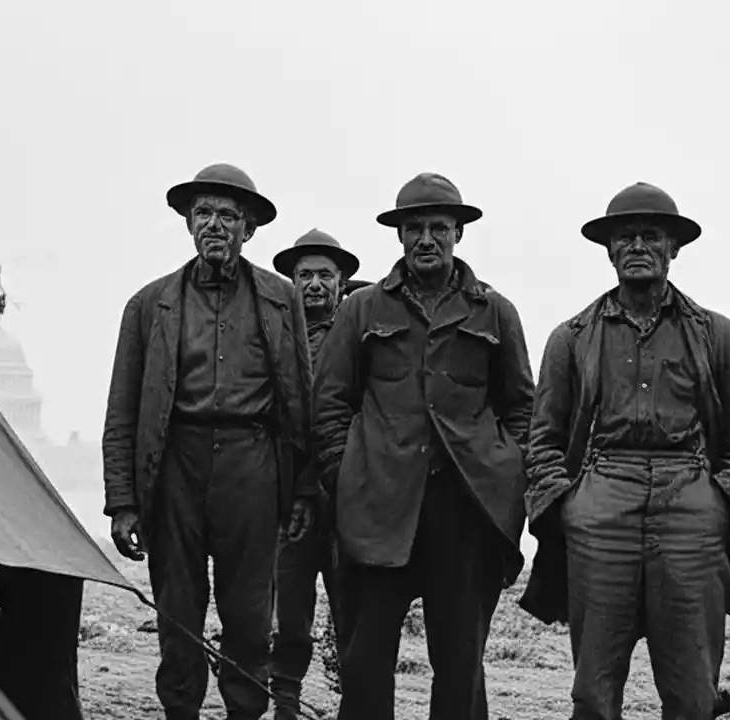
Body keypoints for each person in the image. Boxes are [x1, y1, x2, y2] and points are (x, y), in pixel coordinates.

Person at [519, 182, 730, 720]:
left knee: (693, 693)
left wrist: (719, 501)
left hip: (691, 506)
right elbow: (541, 442)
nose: (637, 246)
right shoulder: (571, 338)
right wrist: (569, 508)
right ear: (608, 251)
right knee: (593, 692)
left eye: (651, 236)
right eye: (625, 237)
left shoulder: (717, 335)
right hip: (599, 505)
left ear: (673, 248)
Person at [312, 172, 534, 719]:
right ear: (400, 235)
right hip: (377, 506)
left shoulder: (494, 311)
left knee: (460, 666)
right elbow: (330, 403)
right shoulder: (361, 309)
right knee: (365, 663)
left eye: (439, 227)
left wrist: (507, 474)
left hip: (466, 509)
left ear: (459, 233)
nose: (427, 239)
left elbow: (524, 409)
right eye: (415, 228)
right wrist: (344, 475)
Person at [101, 163, 316, 720]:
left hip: (253, 469)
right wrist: (123, 501)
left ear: (249, 229)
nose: (214, 224)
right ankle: (181, 711)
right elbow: (123, 407)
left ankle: (246, 711)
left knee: (248, 617)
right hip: (176, 468)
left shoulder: (280, 298)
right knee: (178, 614)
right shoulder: (148, 305)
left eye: (227, 215)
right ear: (188, 224)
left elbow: (301, 399)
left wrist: (303, 492)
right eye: (203, 213)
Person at [268, 228, 361, 719]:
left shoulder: (359, 338)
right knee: (291, 618)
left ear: (342, 281)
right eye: (304, 275)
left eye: (326, 275)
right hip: (289, 504)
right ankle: (284, 702)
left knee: (353, 612)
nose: (315, 284)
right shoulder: (273, 338)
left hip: (346, 499)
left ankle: (355, 701)